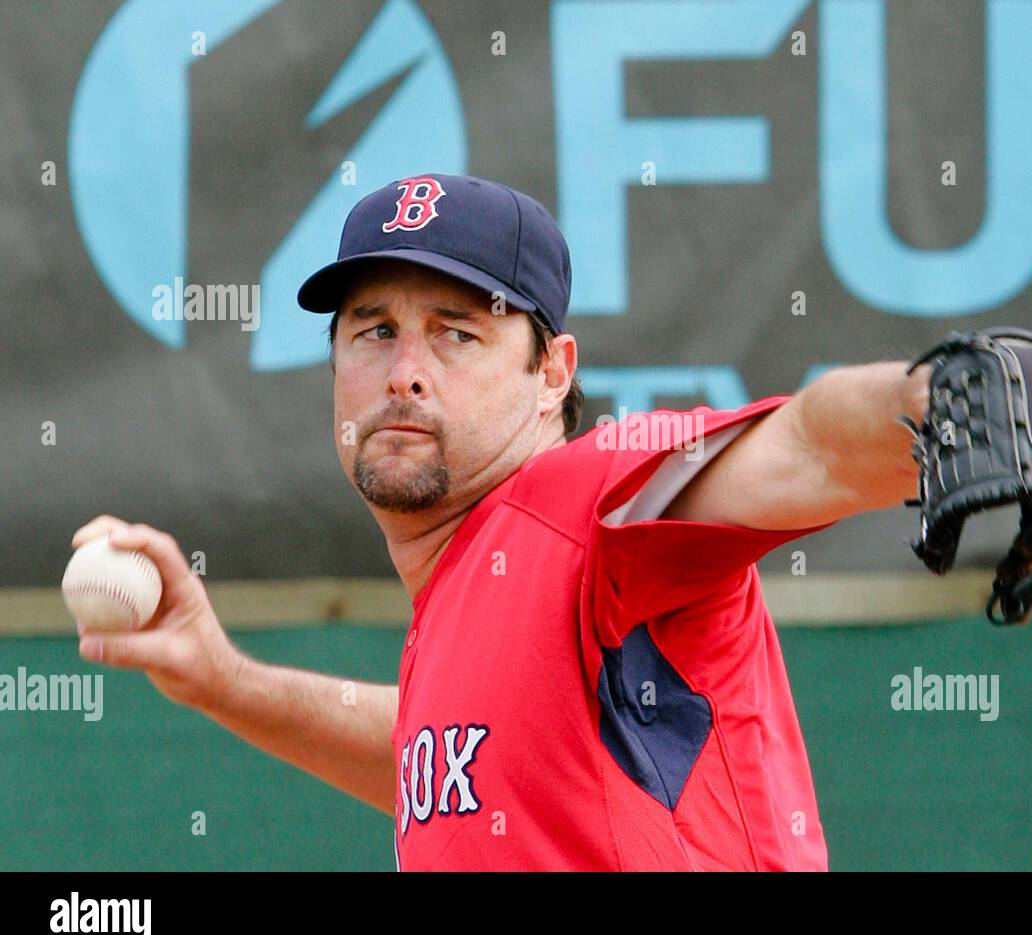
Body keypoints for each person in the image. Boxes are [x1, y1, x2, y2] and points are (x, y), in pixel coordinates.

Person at [73, 173, 931, 871]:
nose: (405, 372)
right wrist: (227, 682)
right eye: (374, 332)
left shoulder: (586, 503)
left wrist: (926, 404)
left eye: (457, 333)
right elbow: (458, 750)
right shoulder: (464, 590)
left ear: (553, 372)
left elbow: (807, 448)